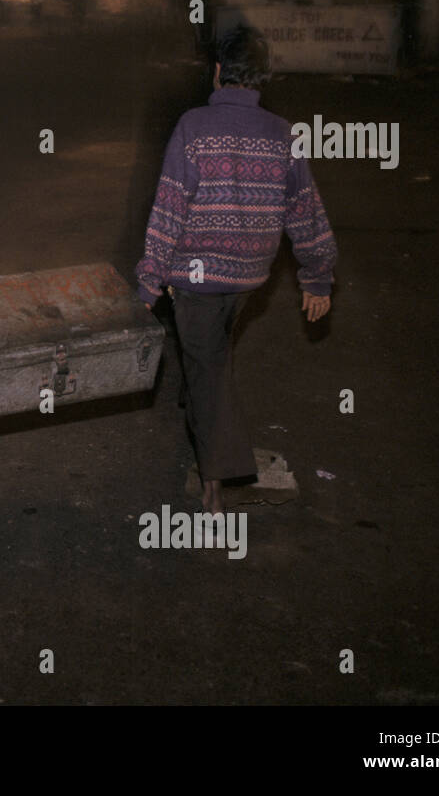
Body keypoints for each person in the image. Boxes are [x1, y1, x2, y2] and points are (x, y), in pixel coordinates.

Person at [135, 26, 337, 515]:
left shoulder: (193, 126)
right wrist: (316, 275)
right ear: (263, 79)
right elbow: (305, 210)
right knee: (211, 352)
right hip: (250, 277)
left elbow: (169, 208)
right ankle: (198, 402)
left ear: (219, 71)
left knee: (206, 369)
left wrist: (148, 277)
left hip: (197, 278)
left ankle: (216, 481)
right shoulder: (283, 134)